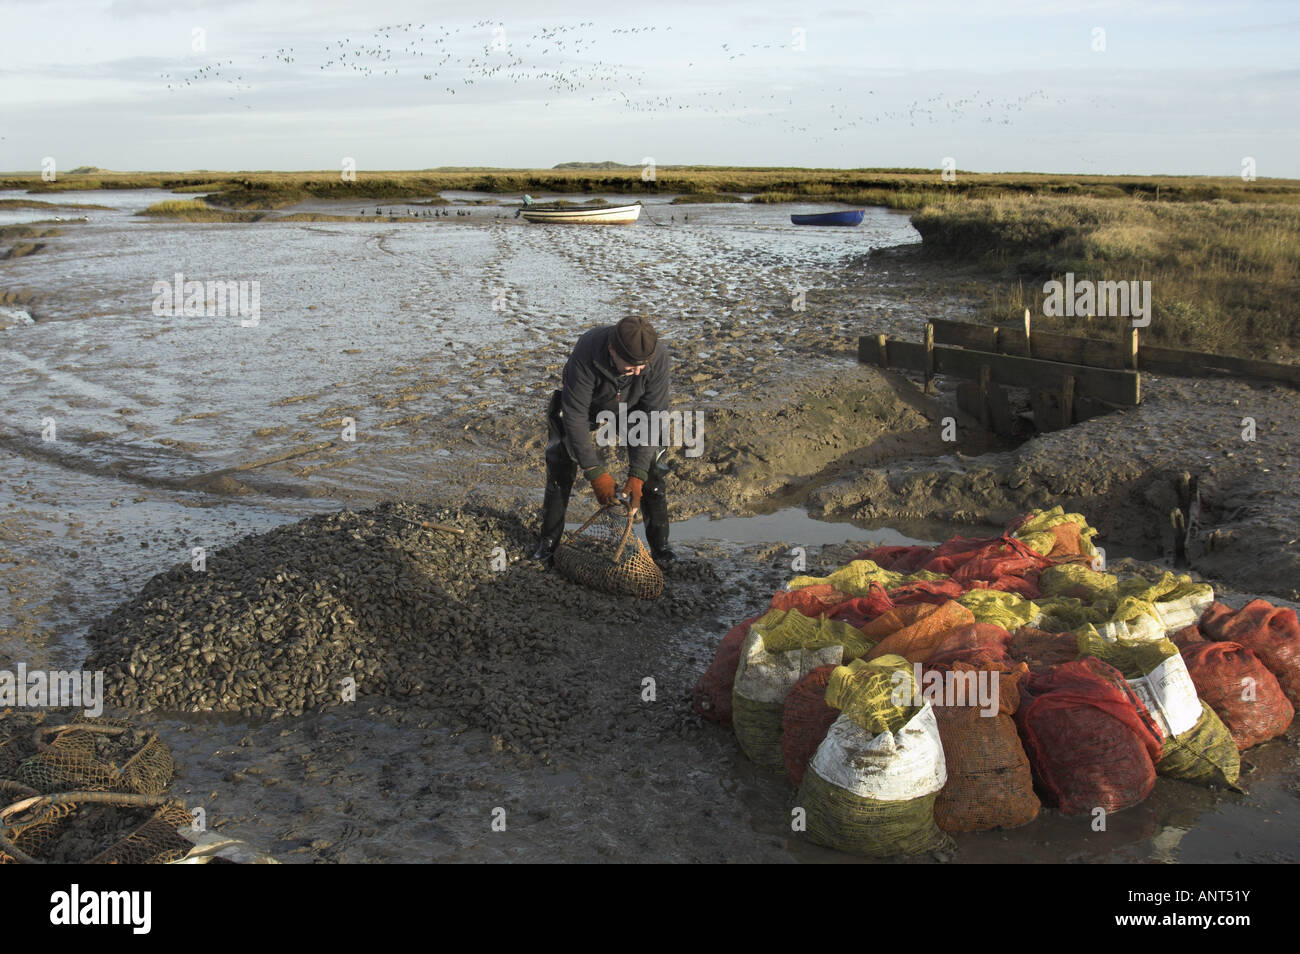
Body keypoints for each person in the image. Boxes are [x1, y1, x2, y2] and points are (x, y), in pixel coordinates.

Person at [532, 315, 676, 568]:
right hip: (587, 405)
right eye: (631, 366)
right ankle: (548, 545)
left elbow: (653, 416)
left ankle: (662, 551)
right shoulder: (588, 350)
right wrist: (594, 471)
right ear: (612, 350)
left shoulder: (658, 357)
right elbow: (575, 416)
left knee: (653, 469)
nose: (638, 371)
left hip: (636, 408)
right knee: (560, 461)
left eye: (643, 366)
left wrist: (638, 474)